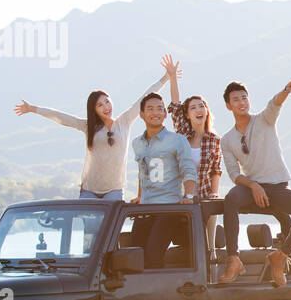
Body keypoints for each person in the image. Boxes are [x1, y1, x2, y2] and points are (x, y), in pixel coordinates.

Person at [14, 64, 174, 199]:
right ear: (94, 110)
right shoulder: (88, 127)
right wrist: (33, 109)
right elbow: (61, 117)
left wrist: (166, 77)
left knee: (110, 235)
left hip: (114, 190)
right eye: (100, 105)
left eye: (107, 102)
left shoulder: (123, 122)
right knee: (90, 235)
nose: (106, 107)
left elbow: (144, 96)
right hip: (89, 191)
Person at [218, 78, 291, 286]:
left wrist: (286, 90)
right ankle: (233, 259)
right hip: (252, 188)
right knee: (231, 198)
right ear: (228, 106)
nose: (241, 102)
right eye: (236, 99)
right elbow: (234, 174)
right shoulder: (227, 140)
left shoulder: (264, 120)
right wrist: (253, 185)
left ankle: (280, 256)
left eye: (244, 97)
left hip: (276, 187)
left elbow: (275, 104)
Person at [129, 92, 197, 269]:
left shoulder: (177, 140)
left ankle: (158, 295)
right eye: (150, 109)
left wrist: (188, 195)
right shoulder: (137, 143)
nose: (156, 113)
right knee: (130, 256)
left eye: (160, 109)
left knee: (153, 255)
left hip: (168, 208)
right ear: (142, 114)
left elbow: (188, 170)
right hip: (145, 208)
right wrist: (139, 196)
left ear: (165, 114)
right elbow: (142, 172)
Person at [160, 54, 222, 199]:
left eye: (201, 106)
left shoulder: (214, 140)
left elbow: (216, 170)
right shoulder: (183, 134)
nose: (198, 110)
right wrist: (173, 77)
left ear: (207, 111)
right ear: (187, 115)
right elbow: (175, 105)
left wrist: (214, 193)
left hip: (204, 197)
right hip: (179, 198)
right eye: (193, 108)